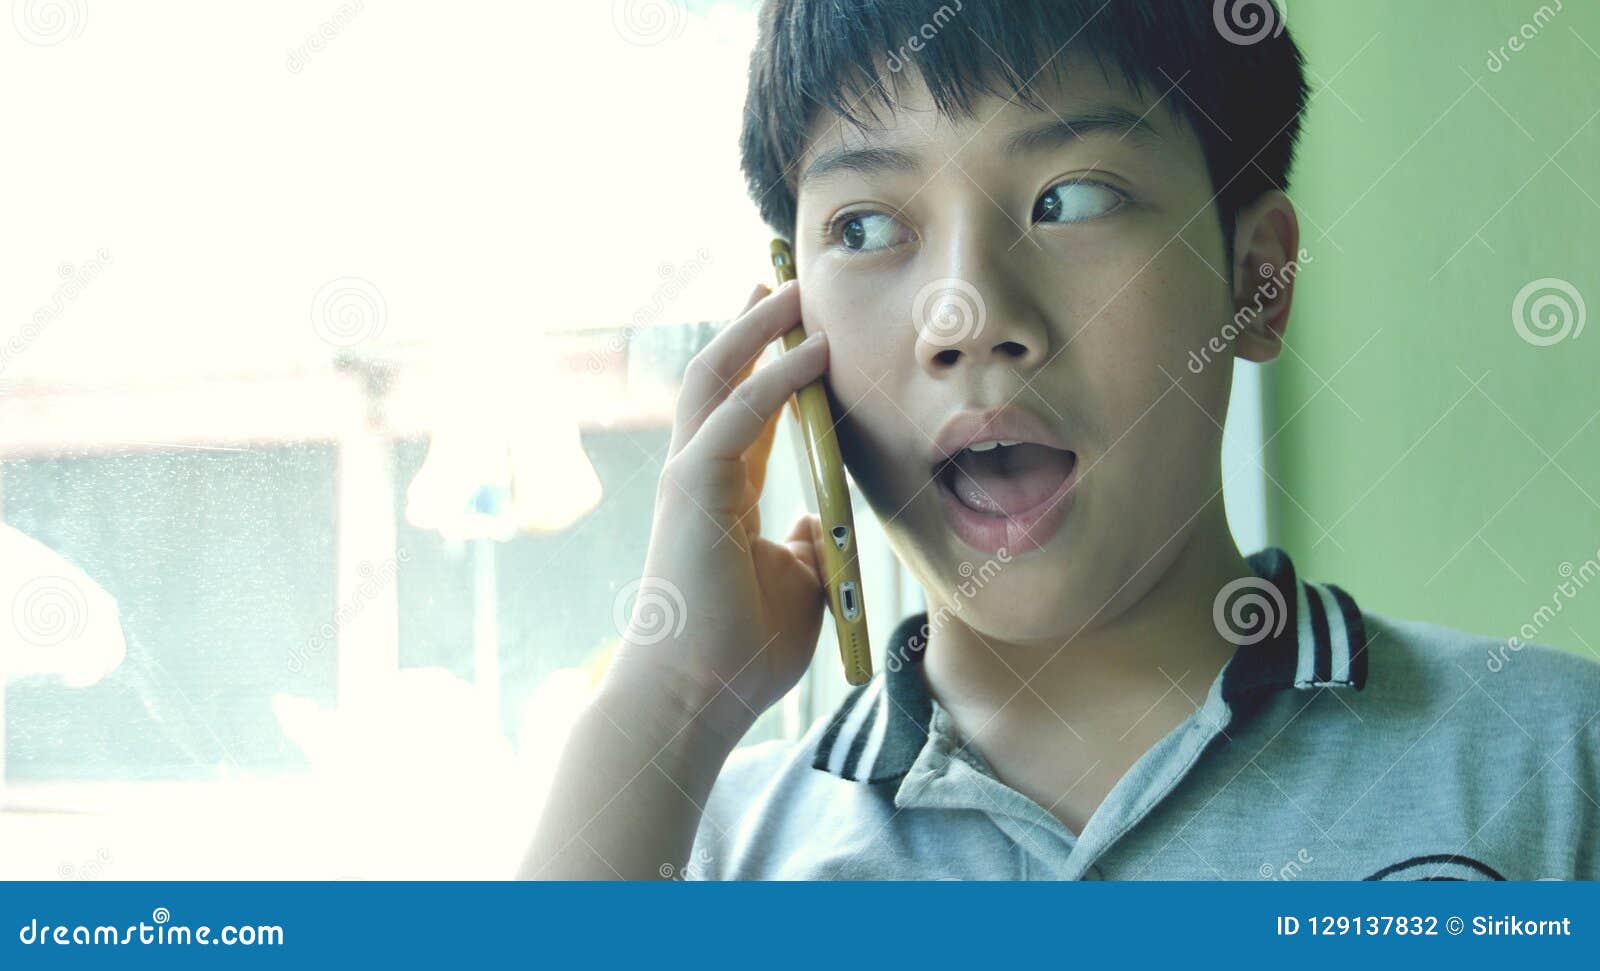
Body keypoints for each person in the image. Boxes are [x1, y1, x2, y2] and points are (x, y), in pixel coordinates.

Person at [520, 0, 1600, 881]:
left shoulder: (1556, 766)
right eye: (862, 227)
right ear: (790, 323)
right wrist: (671, 703)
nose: (966, 312)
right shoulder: (691, 851)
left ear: (1257, 279)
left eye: (1071, 197)